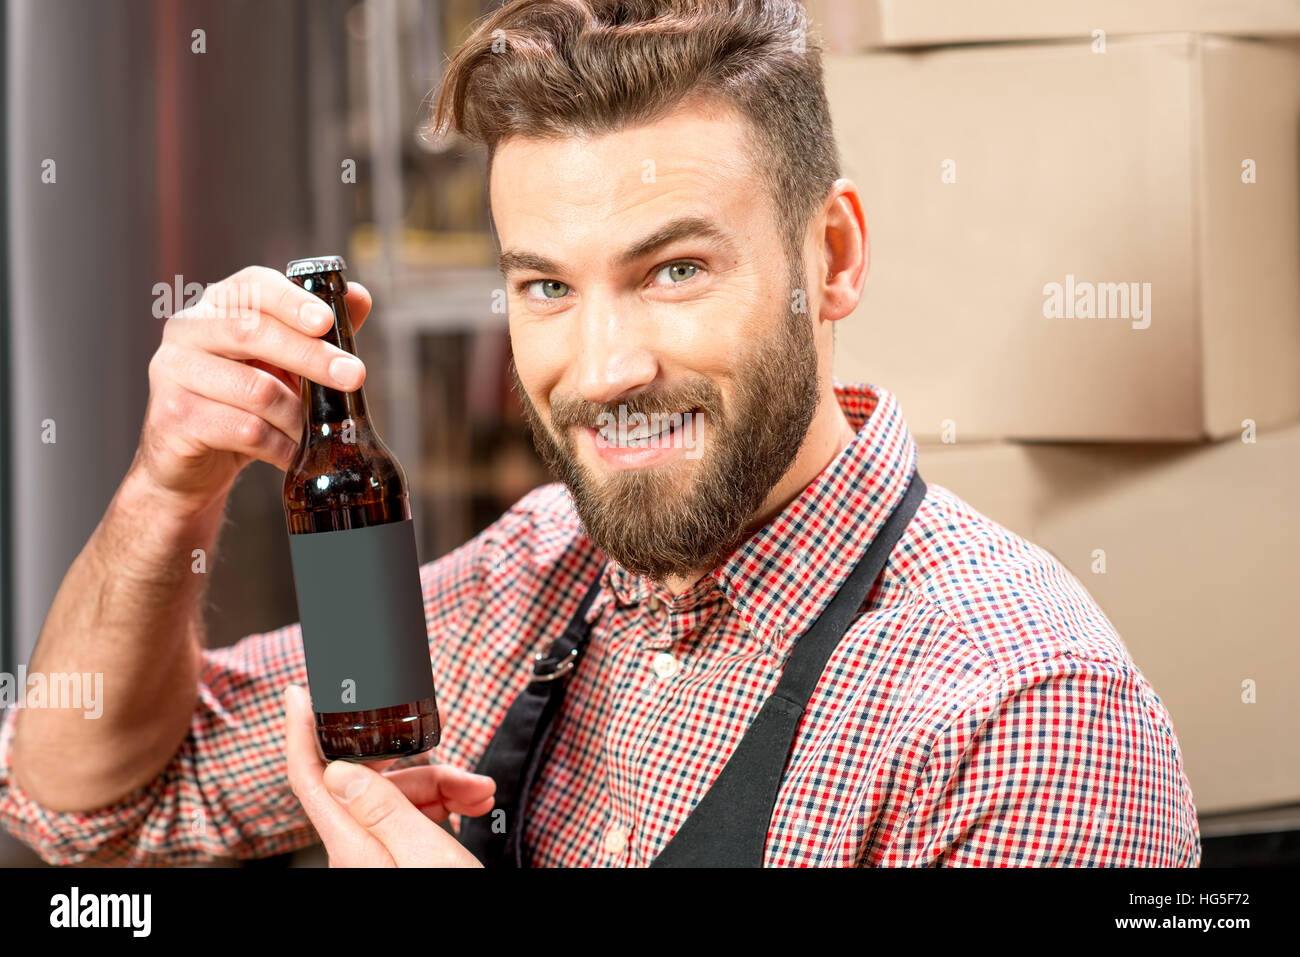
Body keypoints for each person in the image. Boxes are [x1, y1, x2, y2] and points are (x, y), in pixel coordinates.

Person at [0, 0, 1200, 867]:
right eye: (547, 288)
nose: (607, 369)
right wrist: (170, 488)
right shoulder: (535, 576)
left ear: (828, 259)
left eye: (674, 268)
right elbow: (93, 811)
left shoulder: (1022, 711)